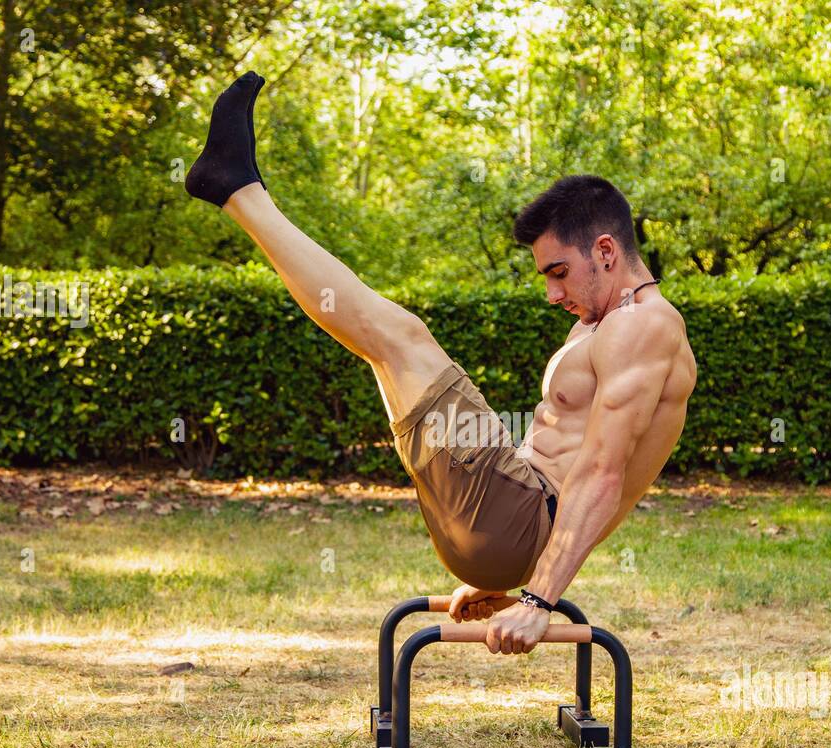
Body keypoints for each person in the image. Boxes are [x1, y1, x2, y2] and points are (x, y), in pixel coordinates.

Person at [186, 73, 697, 654]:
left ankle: (238, 189)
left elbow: (604, 473)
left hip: (520, 526)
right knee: (383, 348)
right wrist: (501, 581)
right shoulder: (607, 325)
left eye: (559, 272)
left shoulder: (645, 327)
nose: (553, 295)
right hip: (504, 536)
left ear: (606, 251)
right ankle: (237, 188)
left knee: (401, 339)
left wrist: (537, 598)